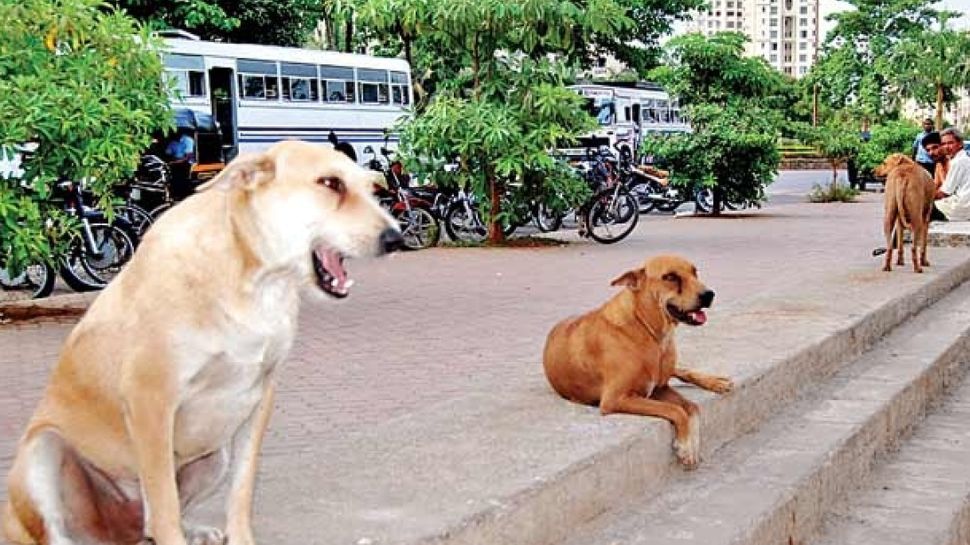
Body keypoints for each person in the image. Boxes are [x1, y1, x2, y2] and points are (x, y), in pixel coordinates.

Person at [933, 127, 970, 221]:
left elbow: (945, 192)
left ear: (960, 144)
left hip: (963, 205)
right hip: (963, 201)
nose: (946, 147)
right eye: (943, 144)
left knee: (928, 207)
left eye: (950, 143)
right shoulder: (961, 159)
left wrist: (923, 197)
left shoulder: (959, 161)